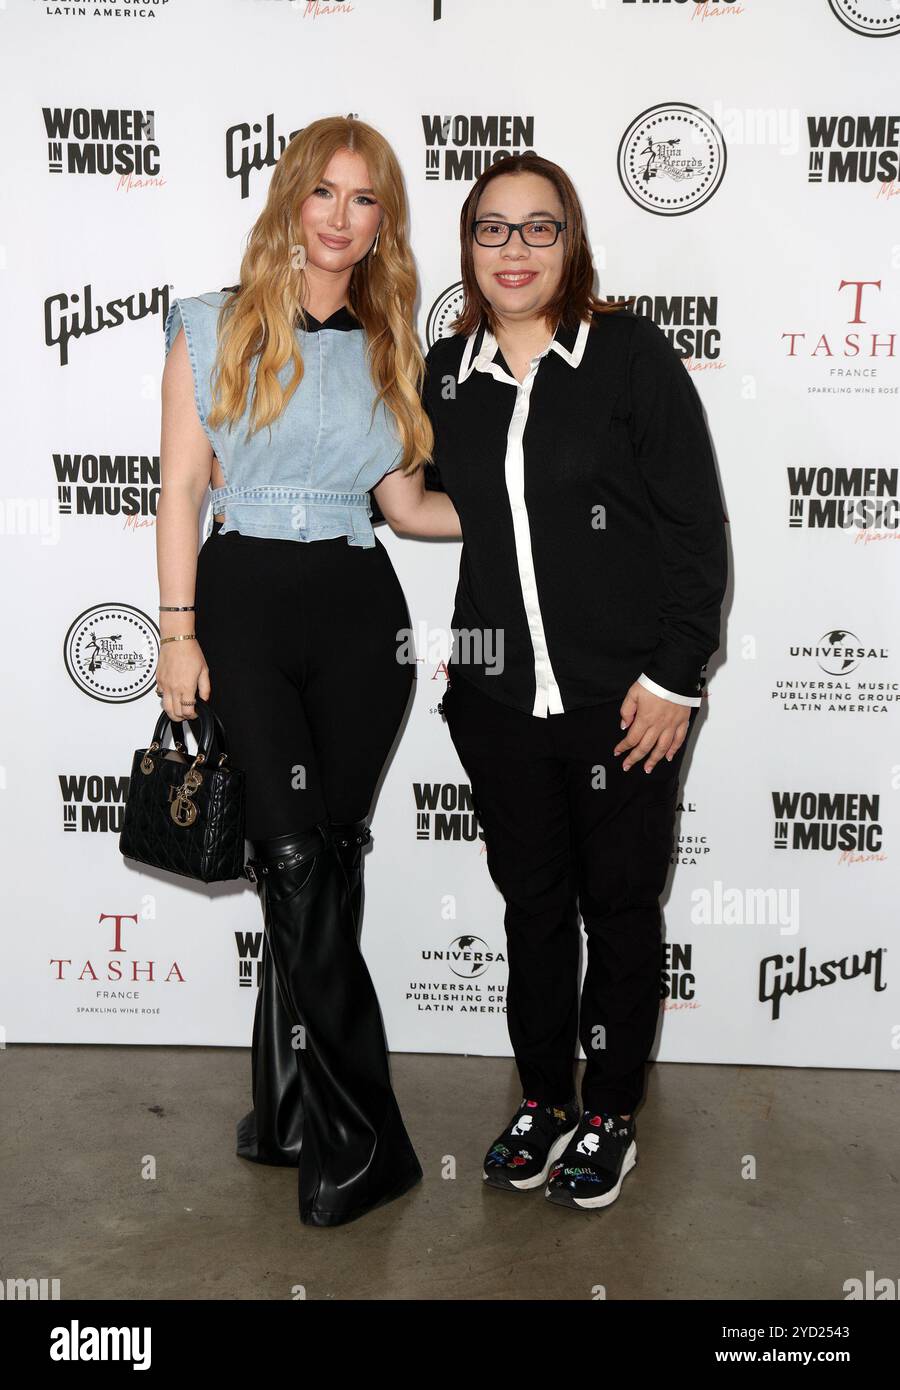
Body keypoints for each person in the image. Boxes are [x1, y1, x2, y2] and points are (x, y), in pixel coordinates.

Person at [156, 116, 460, 1227]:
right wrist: (177, 631)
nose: (342, 217)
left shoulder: (390, 343)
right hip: (241, 606)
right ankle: (368, 1138)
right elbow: (182, 489)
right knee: (291, 861)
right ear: (291, 200)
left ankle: (288, 1109)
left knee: (328, 860)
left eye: (365, 199)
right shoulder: (213, 324)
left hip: (358, 613)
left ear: (385, 221)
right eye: (324, 192)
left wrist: (522, 508)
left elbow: (406, 506)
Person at [421, 153, 728, 1211]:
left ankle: (611, 1113)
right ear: (466, 248)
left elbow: (695, 528)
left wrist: (675, 678)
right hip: (501, 703)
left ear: (572, 240)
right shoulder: (446, 374)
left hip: (624, 701)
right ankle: (545, 1099)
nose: (513, 249)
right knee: (534, 907)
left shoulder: (630, 358)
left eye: (537, 228)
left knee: (620, 906)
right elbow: (433, 505)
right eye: (492, 229)